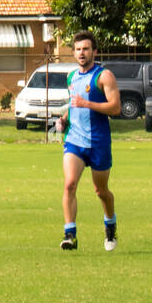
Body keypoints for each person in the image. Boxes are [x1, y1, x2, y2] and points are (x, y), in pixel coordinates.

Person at [57, 31, 121, 252]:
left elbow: (115, 108)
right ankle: (70, 234)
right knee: (69, 184)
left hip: (99, 142)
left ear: (94, 51)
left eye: (85, 49)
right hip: (74, 140)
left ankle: (110, 223)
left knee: (100, 190)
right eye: (77, 49)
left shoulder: (104, 77)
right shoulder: (71, 77)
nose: (81, 53)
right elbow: (74, 104)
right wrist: (64, 120)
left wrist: (88, 104)